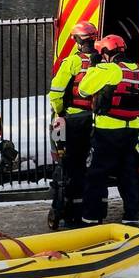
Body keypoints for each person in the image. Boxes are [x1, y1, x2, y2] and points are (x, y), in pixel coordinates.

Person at [78, 35, 139, 227]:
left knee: (96, 174)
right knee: (128, 174)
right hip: (132, 131)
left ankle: (91, 218)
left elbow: (83, 90)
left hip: (107, 131)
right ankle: (131, 217)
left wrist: (93, 67)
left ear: (106, 53)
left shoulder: (108, 69)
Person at [46, 21, 100, 229]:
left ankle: (64, 210)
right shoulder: (102, 62)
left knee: (66, 165)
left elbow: (57, 92)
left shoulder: (72, 62)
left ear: (77, 40)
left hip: (71, 120)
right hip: (95, 121)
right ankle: (90, 211)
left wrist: (59, 112)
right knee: (91, 167)